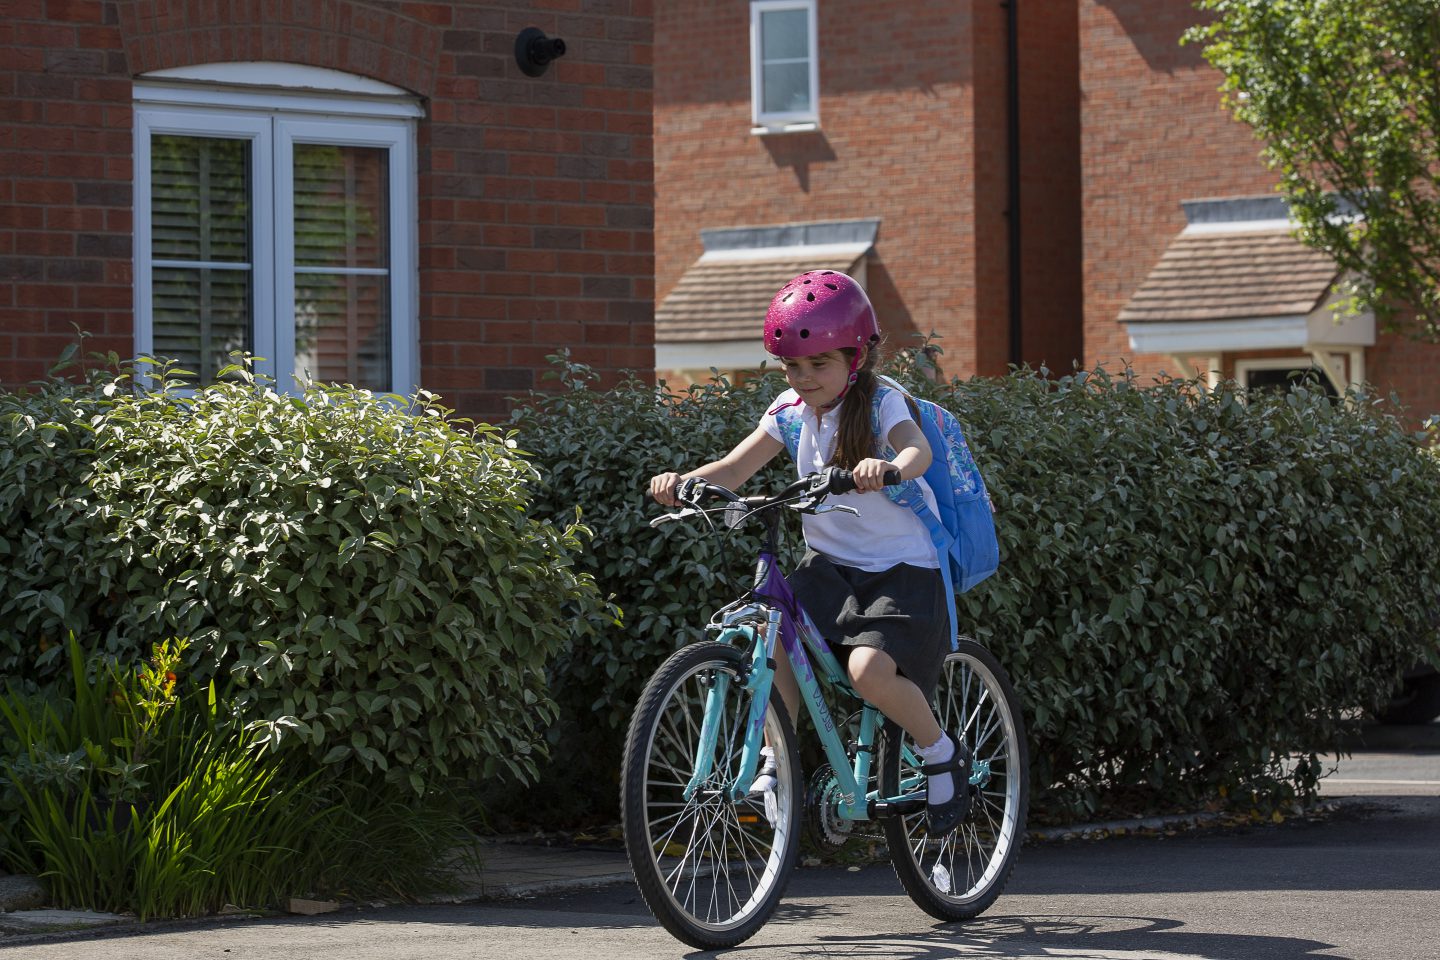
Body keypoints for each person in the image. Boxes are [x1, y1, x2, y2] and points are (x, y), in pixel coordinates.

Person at [647, 270, 970, 835]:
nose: (804, 377)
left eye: (819, 364)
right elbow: (734, 468)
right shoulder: (792, 410)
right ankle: (778, 759)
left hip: (902, 570)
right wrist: (685, 481)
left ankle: (940, 750)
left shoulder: (881, 403)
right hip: (831, 569)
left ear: (858, 356)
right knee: (771, 631)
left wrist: (886, 466)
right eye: (793, 367)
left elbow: (916, 450)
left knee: (869, 672)